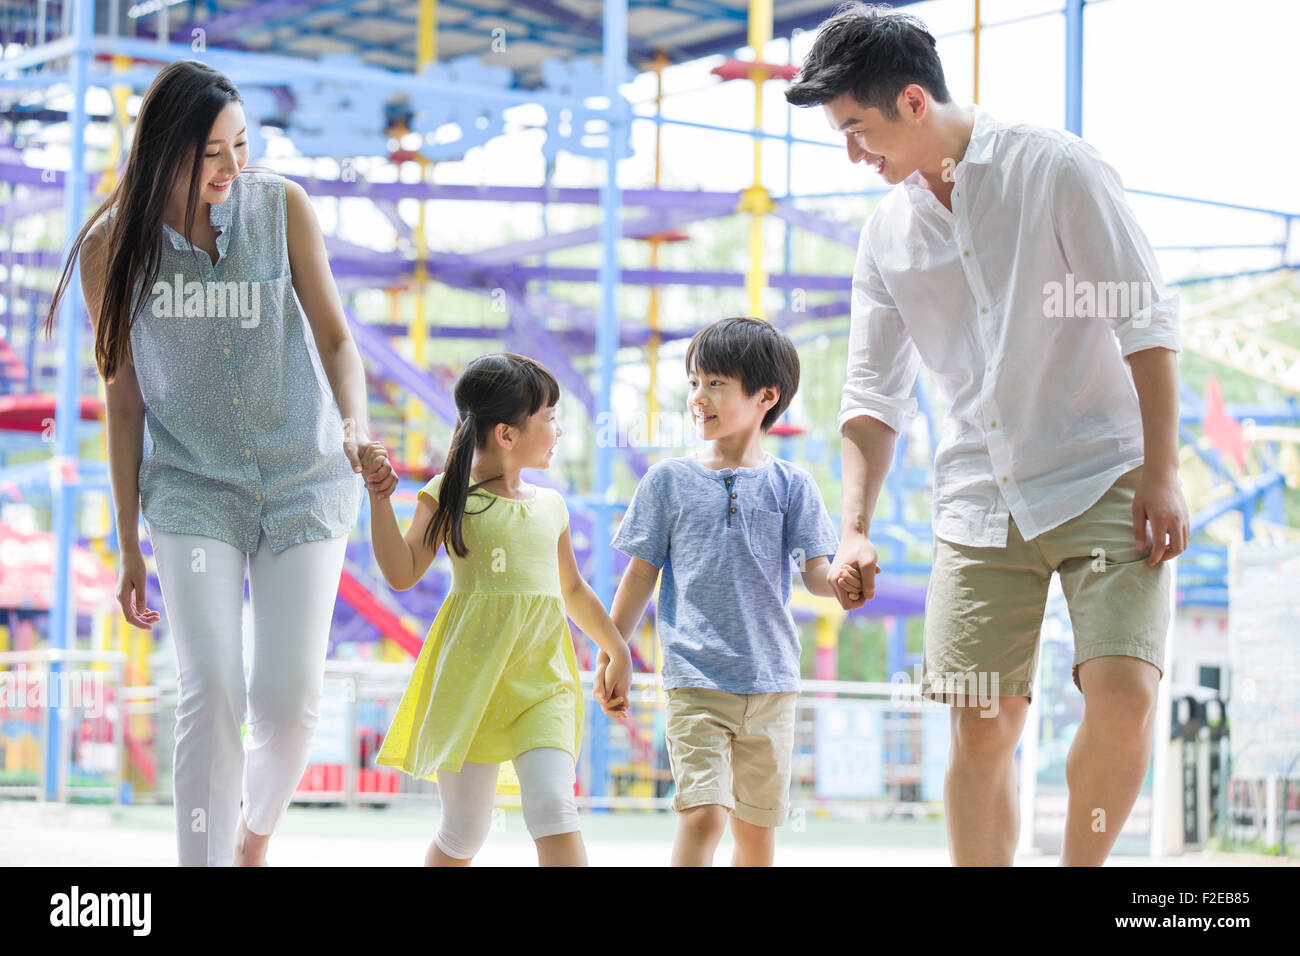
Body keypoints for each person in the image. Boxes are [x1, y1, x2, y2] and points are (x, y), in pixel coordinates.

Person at [785, 3, 1189, 865]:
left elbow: (1145, 324)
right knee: (981, 723)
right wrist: (853, 527)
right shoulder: (886, 234)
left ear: (913, 102)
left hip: (1104, 475)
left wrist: (1165, 471)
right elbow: (871, 394)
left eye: (858, 130)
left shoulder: (1058, 170)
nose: (854, 155)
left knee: (1123, 696)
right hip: (976, 500)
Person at [42, 59, 397, 866]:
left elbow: (338, 340)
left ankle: (253, 837)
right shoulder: (110, 252)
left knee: (289, 707)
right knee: (212, 691)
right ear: (166, 149)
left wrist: (353, 429)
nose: (235, 167)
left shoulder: (282, 207)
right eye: (214, 152)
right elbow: (124, 402)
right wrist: (128, 542)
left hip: (306, 476)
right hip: (192, 489)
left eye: (242, 144)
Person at [361, 353, 632, 867]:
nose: (557, 429)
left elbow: (571, 590)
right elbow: (401, 572)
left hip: (543, 684)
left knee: (555, 807)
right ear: (507, 434)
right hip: (469, 685)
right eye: (550, 417)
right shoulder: (447, 495)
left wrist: (615, 647)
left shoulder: (551, 506)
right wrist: (379, 499)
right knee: (464, 833)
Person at [592, 317, 840, 866]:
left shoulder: (792, 485)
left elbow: (817, 574)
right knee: (704, 813)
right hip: (695, 680)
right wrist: (614, 651)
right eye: (694, 382)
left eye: (716, 383)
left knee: (756, 835)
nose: (698, 398)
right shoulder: (667, 481)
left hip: (772, 682)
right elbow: (639, 575)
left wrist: (842, 583)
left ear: (765, 397)